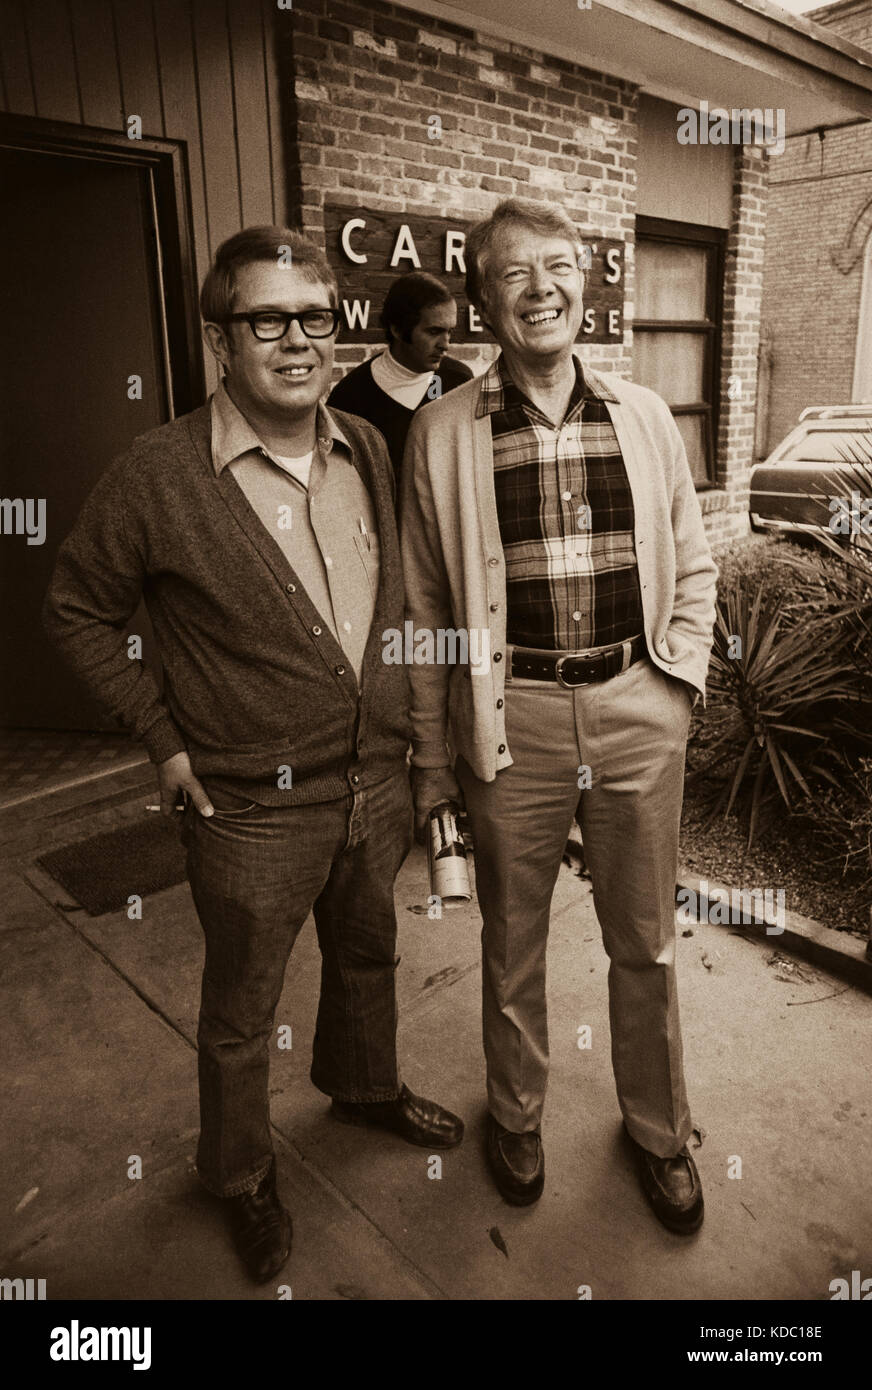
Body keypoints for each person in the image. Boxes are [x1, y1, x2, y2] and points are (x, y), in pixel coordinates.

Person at [43, 226, 463, 1285]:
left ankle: (360, 1087)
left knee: (368, 956)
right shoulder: (157, 474)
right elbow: (78, 612)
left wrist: (419, 743)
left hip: (369, 783)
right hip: (246, 806)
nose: (292, 341)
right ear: (219, 336)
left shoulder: (366, 446)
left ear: (338, 329)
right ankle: (238, 1173)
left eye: (313, 317)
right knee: (240, 1012)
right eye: (264, 319)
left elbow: (396, 603)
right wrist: (162, 736)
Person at [400, 198, 717, 1232]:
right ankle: (517, 1112)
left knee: (643, 940)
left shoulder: (643, 416)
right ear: (483, 301)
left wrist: (675, 685)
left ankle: (659, 1130)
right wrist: (430, 759)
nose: (541, 288)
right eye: (512, 274)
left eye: (560, 266)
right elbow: (425, 607)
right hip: (513, 716)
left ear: (586, 283)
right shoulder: (443, 431)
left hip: (635, 704)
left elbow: (693, 561)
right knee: (511, 941)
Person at [328, 271, 472, 487]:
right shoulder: (350, 397)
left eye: (449, 331)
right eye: (434, 332)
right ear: (397, 329)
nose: (445, 344)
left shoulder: (458, 380)